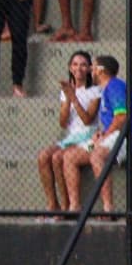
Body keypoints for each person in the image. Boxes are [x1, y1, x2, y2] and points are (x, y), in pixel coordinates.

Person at [74, 55, 132, 215]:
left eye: (93, 67)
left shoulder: (114, 86)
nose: (90, 71)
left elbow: (122, 117)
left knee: (96, 155)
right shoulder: (105, 90)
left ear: (101, 71)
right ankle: (73, 207)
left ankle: (108, 208)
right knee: (70, 157)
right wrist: (102, 134)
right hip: (114, 136)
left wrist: (104, 136)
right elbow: (113, 123)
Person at [38, 50, 102, 215]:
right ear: (70, 67)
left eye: (83, 64)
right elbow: (63, 123)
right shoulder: (65, 91)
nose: (78, 68)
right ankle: (53, 204)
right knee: (43, 156)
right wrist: (67, 98)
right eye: (75, 64)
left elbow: (88, 119)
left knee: (58, 157)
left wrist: (73, 97)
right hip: (71, 137)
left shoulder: (95, 91)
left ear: (89, 69)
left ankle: (68, 205)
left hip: (88, 135)